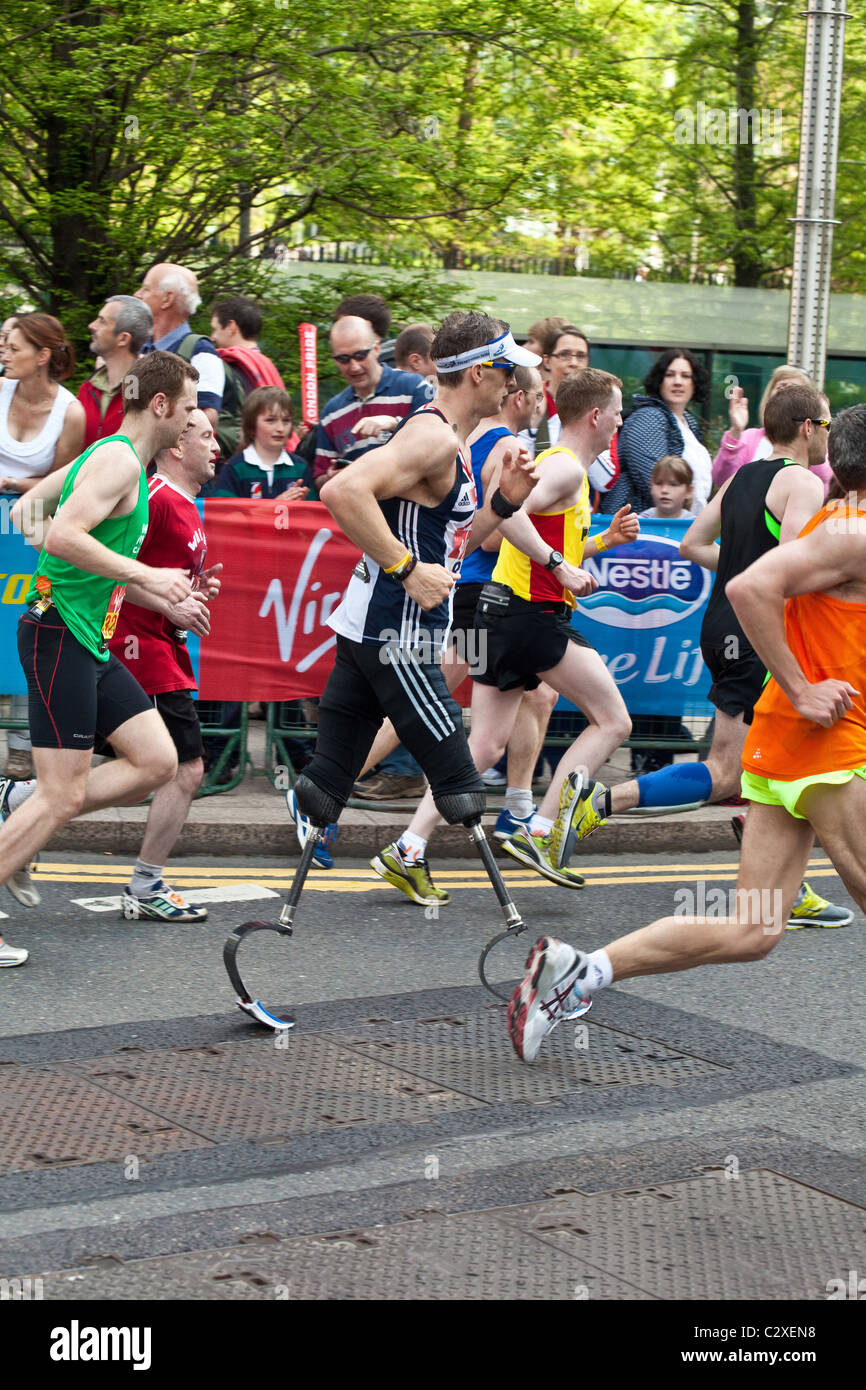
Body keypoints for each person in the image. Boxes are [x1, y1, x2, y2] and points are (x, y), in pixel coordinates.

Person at [507, 402, 866, 1063]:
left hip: (794, 745)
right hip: (828, 746)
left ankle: (578, 973)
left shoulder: (835, 520)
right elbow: (755, 586)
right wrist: (800, 686)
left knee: (752, 929)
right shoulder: (852, 528)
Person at [560, 381, 850, 928]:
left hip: (720, 626)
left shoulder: (743, 476)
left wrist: (742, 574)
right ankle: (599, 804)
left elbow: (693, 544)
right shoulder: (802, 484)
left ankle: (789, 886)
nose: (829, 437)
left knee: (777, 762)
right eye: (828, 425)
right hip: (758, 635)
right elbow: (789, 571)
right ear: (808, 427)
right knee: (727, 772)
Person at [284, 312, 543, 909]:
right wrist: (404, 567)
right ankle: (512, 935)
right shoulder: (431, 437)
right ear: (479, 372)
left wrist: (504, 502)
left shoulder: (451, 439)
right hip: (397, 636)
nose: (513, 385)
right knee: (460, 786)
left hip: (372, 630)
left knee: (326, 787)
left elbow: (450, 543)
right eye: (506, 371)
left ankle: (280, 923)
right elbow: (340, 491)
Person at [372, 369, 638, 903]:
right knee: (613, 721)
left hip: (503, 614)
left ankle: (409, 847)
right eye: (617, 410)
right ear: (595, 417)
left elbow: (522, 523)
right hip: (528, 617)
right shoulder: (562, 469)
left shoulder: (569, 471)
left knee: (486, 743)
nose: (622, 420)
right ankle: (540, 830)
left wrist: (594, 545)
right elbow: (501, 506)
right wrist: (559, 564)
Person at [0, 351, 199, 968]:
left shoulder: (114, 455)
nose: (194, 421)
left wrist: (159, 593)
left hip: (88, 639)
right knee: (62, 795)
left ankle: (17, 811)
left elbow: (23, 512)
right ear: (161, 406)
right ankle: (24, 818)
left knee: (158, 760)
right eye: (189, 409)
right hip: (60, 634)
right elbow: (60, 535)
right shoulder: (116, 459)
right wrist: (139, 572)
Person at [108, 408, 223, 920]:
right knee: (184, 767)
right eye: (206, 435)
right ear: (176, 447)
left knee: (127, 765)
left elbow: (163, 579)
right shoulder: (155, 499)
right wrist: (169, 605)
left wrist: (194, 594)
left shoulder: (188, 504)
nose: (217, 444)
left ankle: (18, 801)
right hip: (136, 647)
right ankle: (145, 885)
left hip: (158, 644)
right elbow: (106, 570)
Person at [0, 313, 86, 782]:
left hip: (31, 535)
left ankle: (19, 749)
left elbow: (67, 484)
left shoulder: (70, 412)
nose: (5, 353)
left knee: (21, 626)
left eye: (14, 347)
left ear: (43, 356)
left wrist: (11, 483)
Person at [312, 314, 434, 490]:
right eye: (343, 359)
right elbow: (319, 478)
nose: (354, 366)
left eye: (360, 355)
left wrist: (395, 424)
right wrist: (332, 478)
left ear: (376, 348)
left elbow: (440, 444)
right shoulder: (332, 412)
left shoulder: (414, 388)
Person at [605, 347, 712, 514]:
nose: (678, 381)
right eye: (670, 375)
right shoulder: (648, 417)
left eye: (685, 376)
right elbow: (656, 484)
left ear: (695, 383)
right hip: (647, 528)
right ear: (659, 381)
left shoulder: (688, 422)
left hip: (682, 524)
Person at [713, 363, 834, 495]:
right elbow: (722, 481)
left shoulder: (816, 442)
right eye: (780, 387)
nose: (784, 394)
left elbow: (825, 484)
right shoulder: (750, 438)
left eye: (793, 389)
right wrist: (736, 431)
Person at [135, 264, 226, 434]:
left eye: (146, 289)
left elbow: (207, 417)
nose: (137, 295)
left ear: (167, 299)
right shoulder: (139, 347)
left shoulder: (202, 352)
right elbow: (130, 404)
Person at [78, 296, 154, 447]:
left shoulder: (144, 392)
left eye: (102, 321)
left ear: (123, 339)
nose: (92, 325)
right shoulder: (88, 388)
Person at [210, 387, 312, 500]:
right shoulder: (234, 468)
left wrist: (303, 507)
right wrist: (275, 507)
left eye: (286, 420)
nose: (280, 428)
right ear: (252, 425)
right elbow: (224, 514)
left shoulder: (301, 467)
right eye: (270, 420)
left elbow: (314, 514)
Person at [209, 295, 286, 392]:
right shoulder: (268, 368)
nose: (213, 337)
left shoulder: (230, 366)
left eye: (215, 329)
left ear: (231, 327)